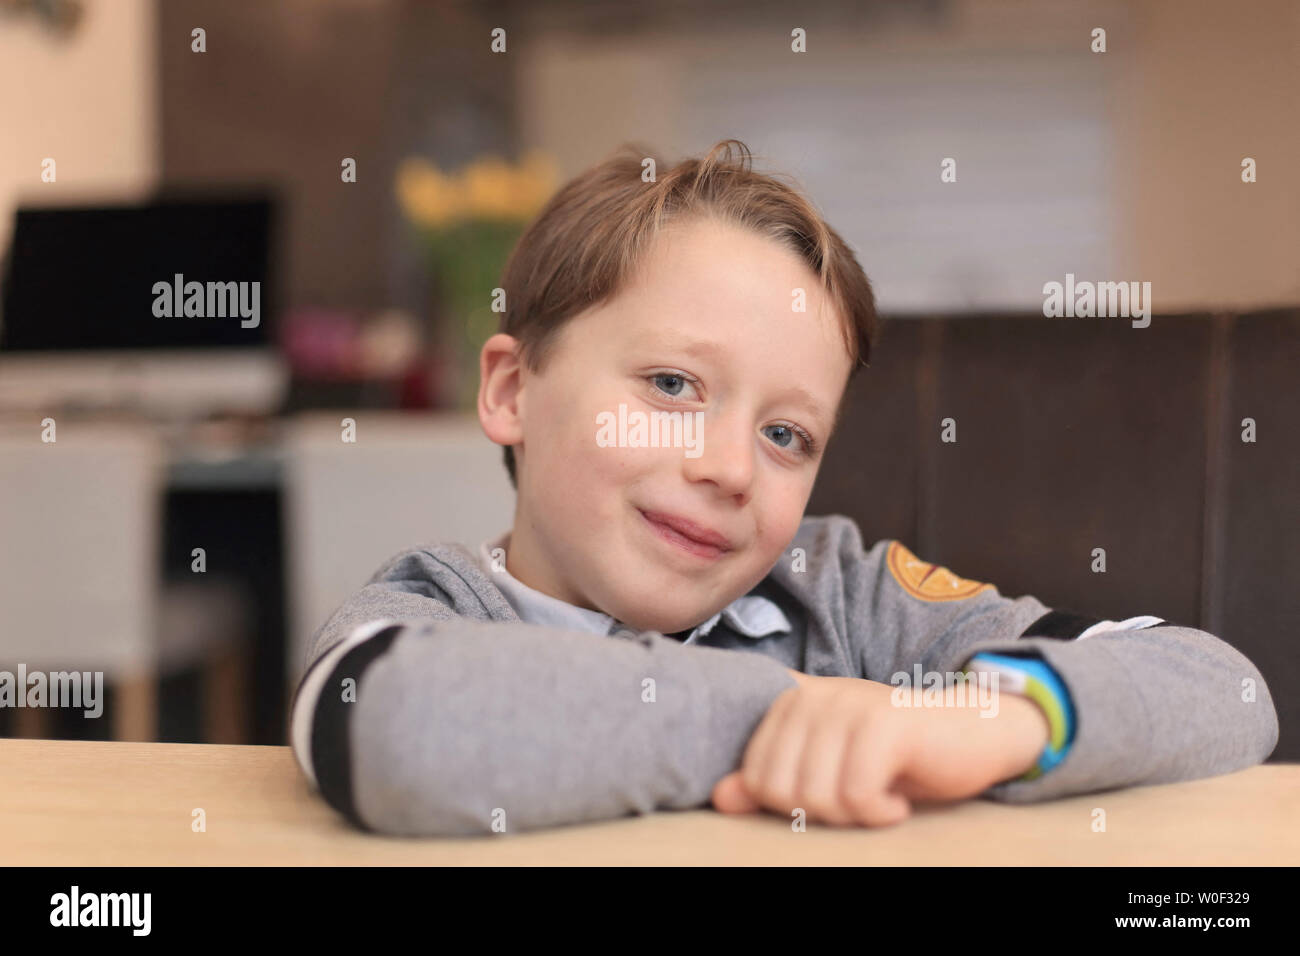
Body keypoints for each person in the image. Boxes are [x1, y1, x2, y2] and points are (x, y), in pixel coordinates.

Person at [289, 140, 1278, 836]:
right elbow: (396, 726)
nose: (728, 466)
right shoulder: (429, 607)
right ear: (511, 390)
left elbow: (1223, 686)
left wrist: (982, 717)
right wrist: (800, 713)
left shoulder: (841, 593)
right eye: (672, 385)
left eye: (785, 434)